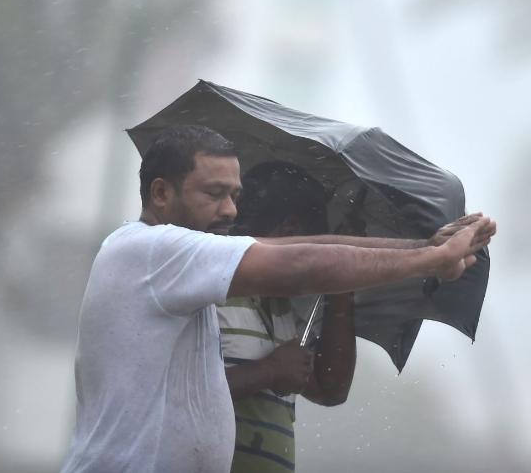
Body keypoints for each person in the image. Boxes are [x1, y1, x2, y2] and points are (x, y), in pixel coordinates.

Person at [59, 125, 496, 473]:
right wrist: (430, 262)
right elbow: (300, 262)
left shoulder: (182, 267)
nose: (230, 210)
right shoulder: (150, 250)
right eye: (214, 194)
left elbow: (300, 249)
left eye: (235, 196)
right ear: (160, 194)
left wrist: (423, 248)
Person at [218, 161, 356, 473]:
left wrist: (342, 281)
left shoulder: (281, 307)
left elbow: (330, 387)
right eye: (312, 247)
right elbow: (177, 392)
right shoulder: (212, 293)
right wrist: (270, 370)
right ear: (289, 230)